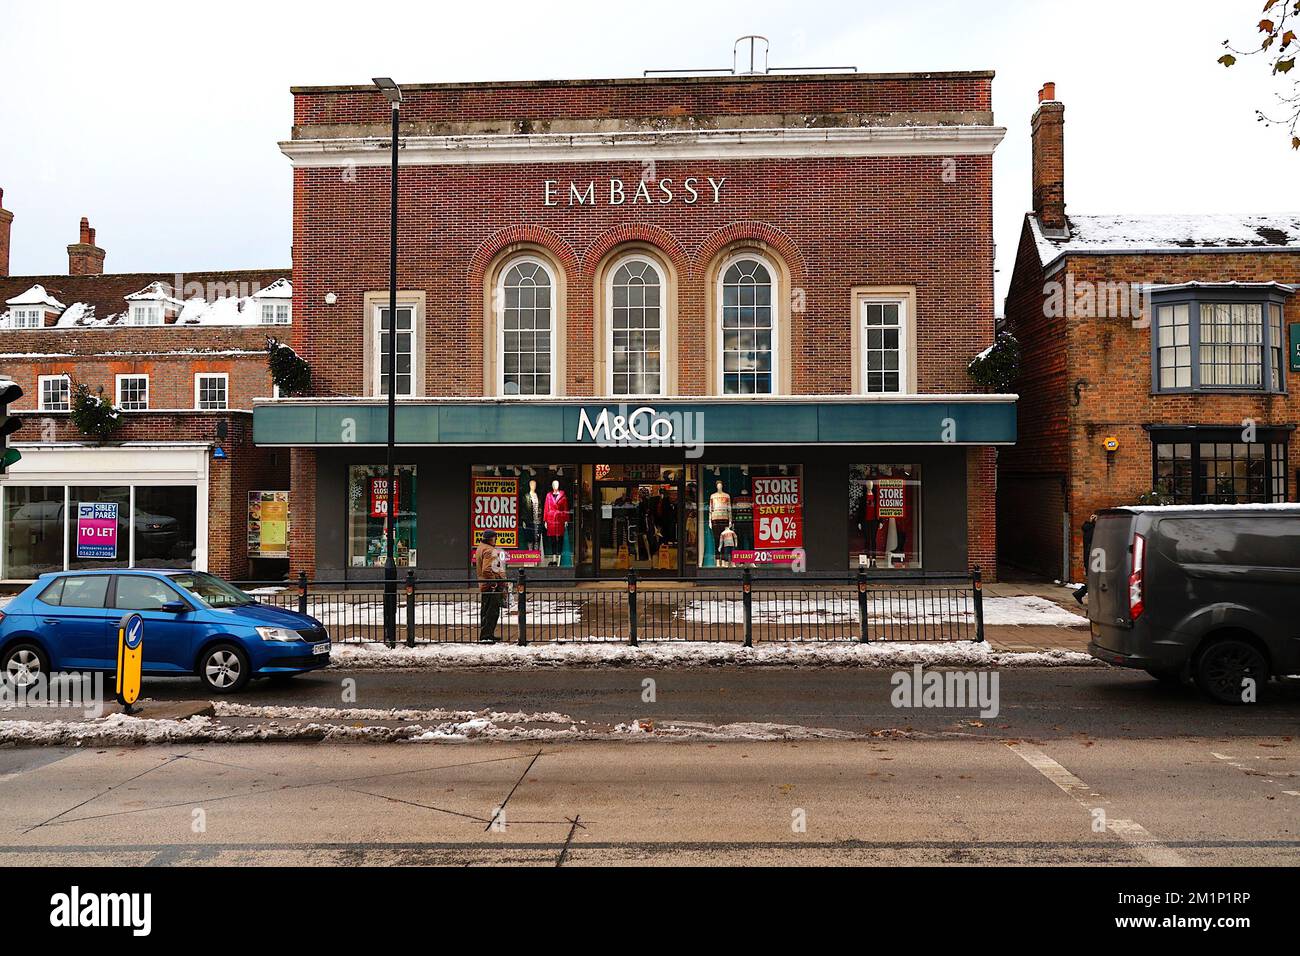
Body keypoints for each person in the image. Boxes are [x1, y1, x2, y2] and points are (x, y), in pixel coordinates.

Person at [474, 529, 507, 643]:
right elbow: (487, 570)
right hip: (491, 586)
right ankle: (487, 636)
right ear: (491, 538)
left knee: (486, 610)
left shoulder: (481, 547)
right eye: (495, 538)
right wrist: (494, 583)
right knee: (492, 612)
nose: (496, 540)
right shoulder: (489, 550)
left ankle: (486, 634)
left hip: (485, 585)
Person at [1074, 513, 1097, 605]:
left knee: (1094, 579)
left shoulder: (1088, 529)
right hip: (1093, 558)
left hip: (1090, 557)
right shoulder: (1092, 530)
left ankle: (1080, 593)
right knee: (1094, 580)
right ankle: (1080, 593)